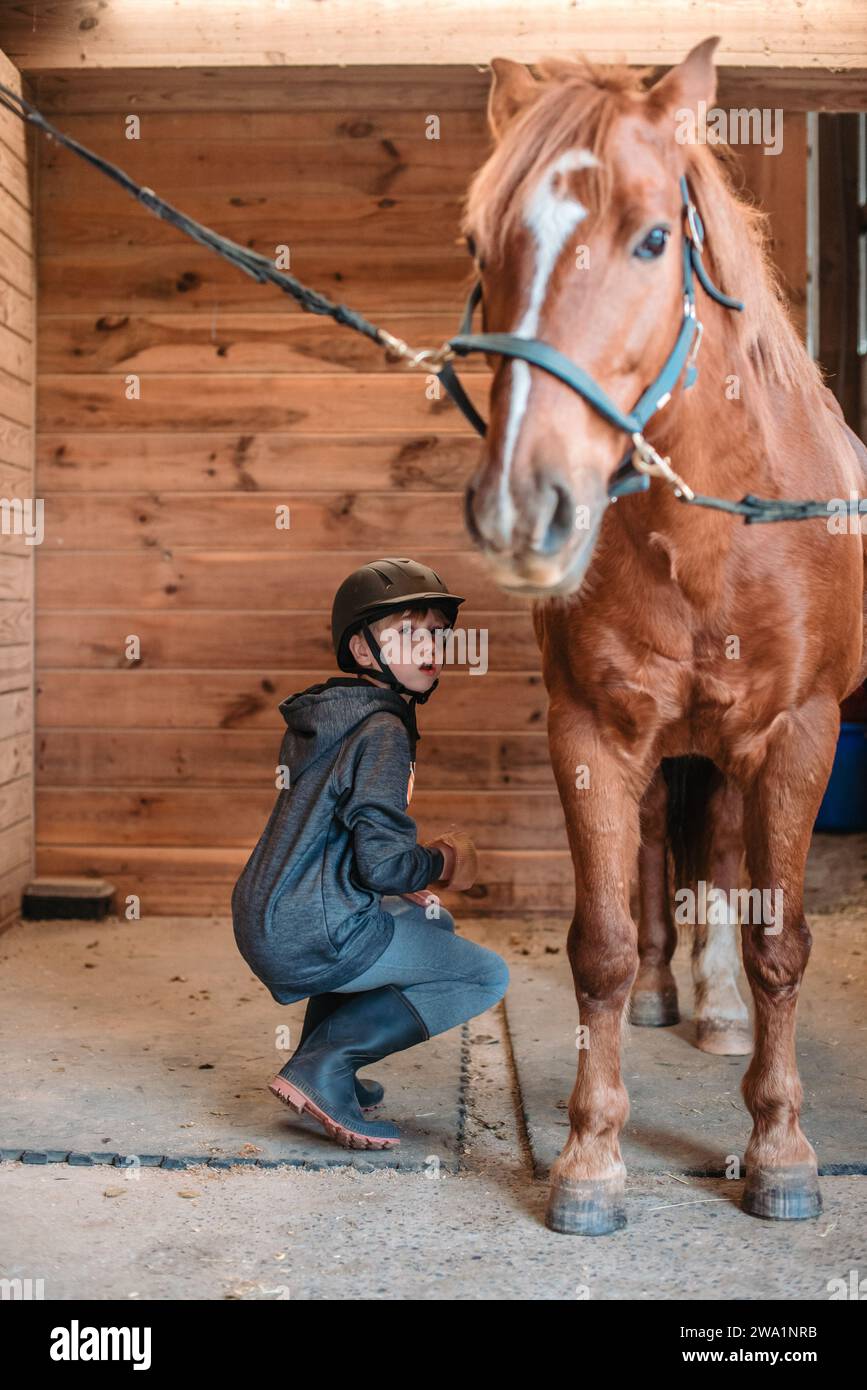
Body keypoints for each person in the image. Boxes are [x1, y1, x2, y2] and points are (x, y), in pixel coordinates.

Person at [231, 557, 510, 1149]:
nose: (429, 646)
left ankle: (321, 1063)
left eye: (437, 634)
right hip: (313, 929)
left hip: (273, 912)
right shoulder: (383, 730)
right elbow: (379, 865)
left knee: (430, 920)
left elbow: (336, 837)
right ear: (363, 649)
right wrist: (443, 861)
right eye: (408, 633)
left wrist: (402, 883)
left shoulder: (332, 716)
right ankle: (325, 1066)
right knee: (486, 975)